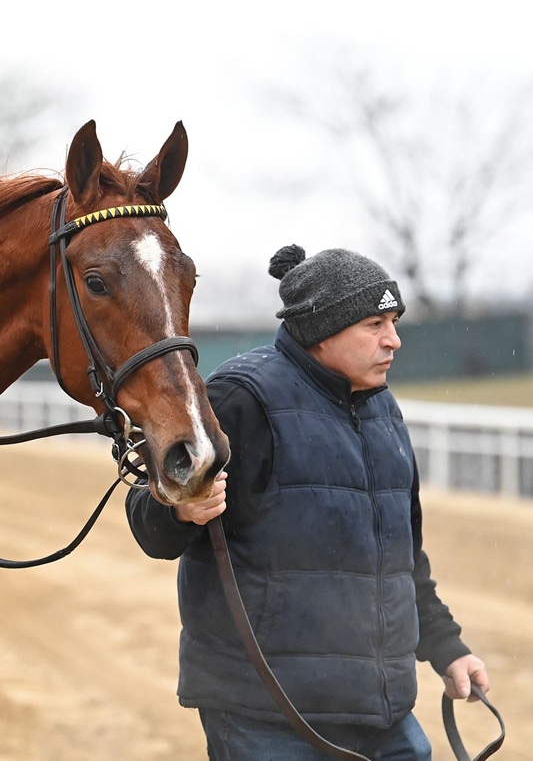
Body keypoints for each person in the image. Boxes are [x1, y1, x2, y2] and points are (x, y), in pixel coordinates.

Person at [125, 243, 490, 760]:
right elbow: (148, 519)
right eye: (375, 325)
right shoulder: (240, 398)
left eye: (395, 321)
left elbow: (402, 561)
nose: (394, 340)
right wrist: (180, 509)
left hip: (382, 714)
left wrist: (447, 649)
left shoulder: (384, 411)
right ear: (322, 331)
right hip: (264, 717)